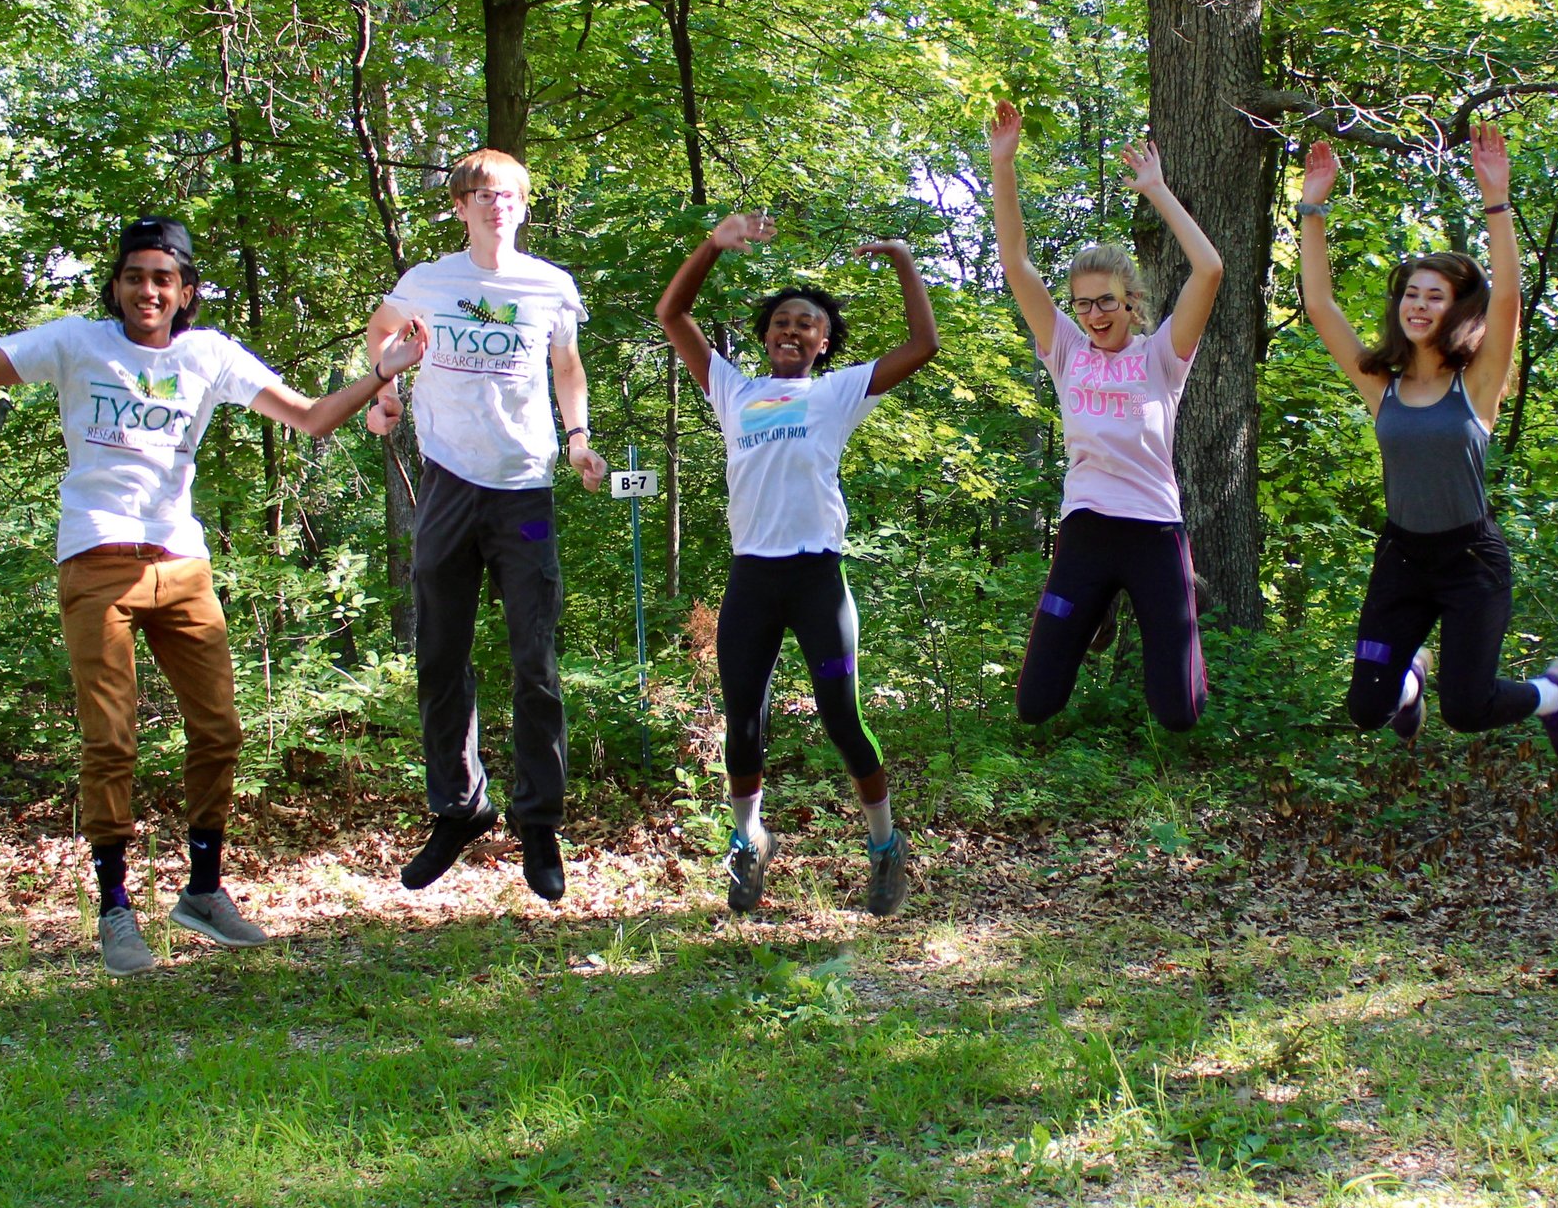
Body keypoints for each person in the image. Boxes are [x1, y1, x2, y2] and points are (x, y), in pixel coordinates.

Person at [0, 217, 428, 976]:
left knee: (220, 730)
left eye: (163, 279)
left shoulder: (209, 355)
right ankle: (115, 910)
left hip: (182, 565)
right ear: (117, 285)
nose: (148, 290)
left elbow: (308, 418)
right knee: (112, 740)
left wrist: (383, 373)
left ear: (186, 292)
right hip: (96, 562)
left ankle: (203, 892)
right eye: (135, 276)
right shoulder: (76, 341)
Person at [656, 213, 939, 917]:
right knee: (742, 719)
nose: (792, 328)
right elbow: (672, 313)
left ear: (824, 342)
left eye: (807, 323)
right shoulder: (734, 390)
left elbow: (924, 344)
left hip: (816, 579)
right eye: (782, 319)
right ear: (765, 335)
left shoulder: (837, 392)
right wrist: (714, 245)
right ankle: (748, 842)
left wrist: (903, 256)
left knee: (842, 717)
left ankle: (884, 846)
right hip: (753, 579)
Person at [1295, 128, 1558, 761]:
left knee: (1467, 708)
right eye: (1410, 293)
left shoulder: (1475, 385)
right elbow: (1318, 303)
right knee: (1367, 708)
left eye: (1435, 296)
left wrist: (1496, 200)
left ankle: (1554, 695)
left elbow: (1507, 299)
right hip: (1402, 560)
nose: (1418, 305)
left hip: (1469, 564)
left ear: (1457, 310)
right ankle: (1409, 679)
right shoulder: (1384, 385)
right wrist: (1313, 206)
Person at [362, 148, 606, 902]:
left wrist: (578, 436)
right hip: (447, 487)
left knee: (535, 659)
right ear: (461, 208)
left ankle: (539, 823)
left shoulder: (550, 286)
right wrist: (386, 391)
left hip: (525, 495)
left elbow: (566, 365)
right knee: (439, 654)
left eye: (507, 193)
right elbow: (382, 338)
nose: (495, 203)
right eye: (480, 193)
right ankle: (460, 808)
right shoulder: (427, 283)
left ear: (524, 205)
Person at [986, 102, 1223, 732]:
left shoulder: (1162, 358)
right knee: (1036, 702)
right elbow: (1016, 262)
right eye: (1083, 304)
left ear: (1131, 301)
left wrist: (1157, 190)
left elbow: (1210, 269)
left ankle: (1174, 593)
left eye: (1107, 302)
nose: (1094, 314)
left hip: (1153, 529)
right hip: (1088, 526)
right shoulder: (1065, 351)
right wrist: (1002, 164)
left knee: (1180, 713)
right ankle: (1099, 608)